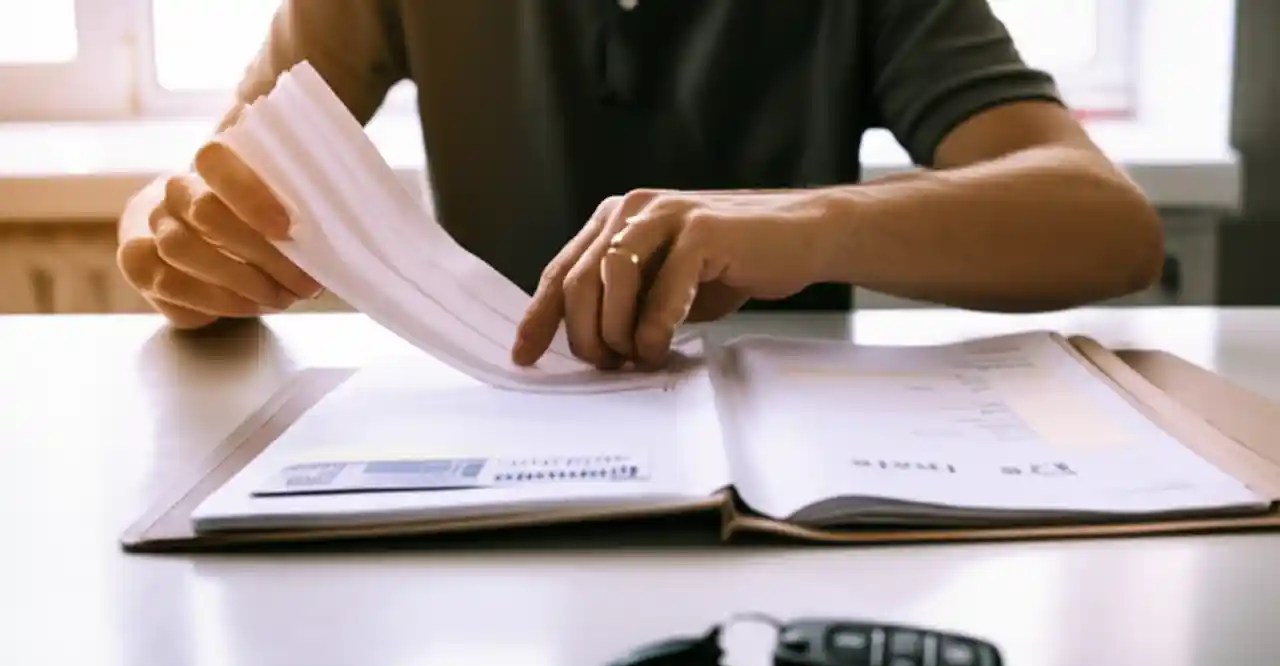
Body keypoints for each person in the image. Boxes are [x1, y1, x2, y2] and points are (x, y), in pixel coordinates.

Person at [116, 0, 1163, 370]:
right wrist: (169, 240)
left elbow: (1104, 224)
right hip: (499, 485)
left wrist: (801, 223)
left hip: (790, 516)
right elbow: (207, 188)